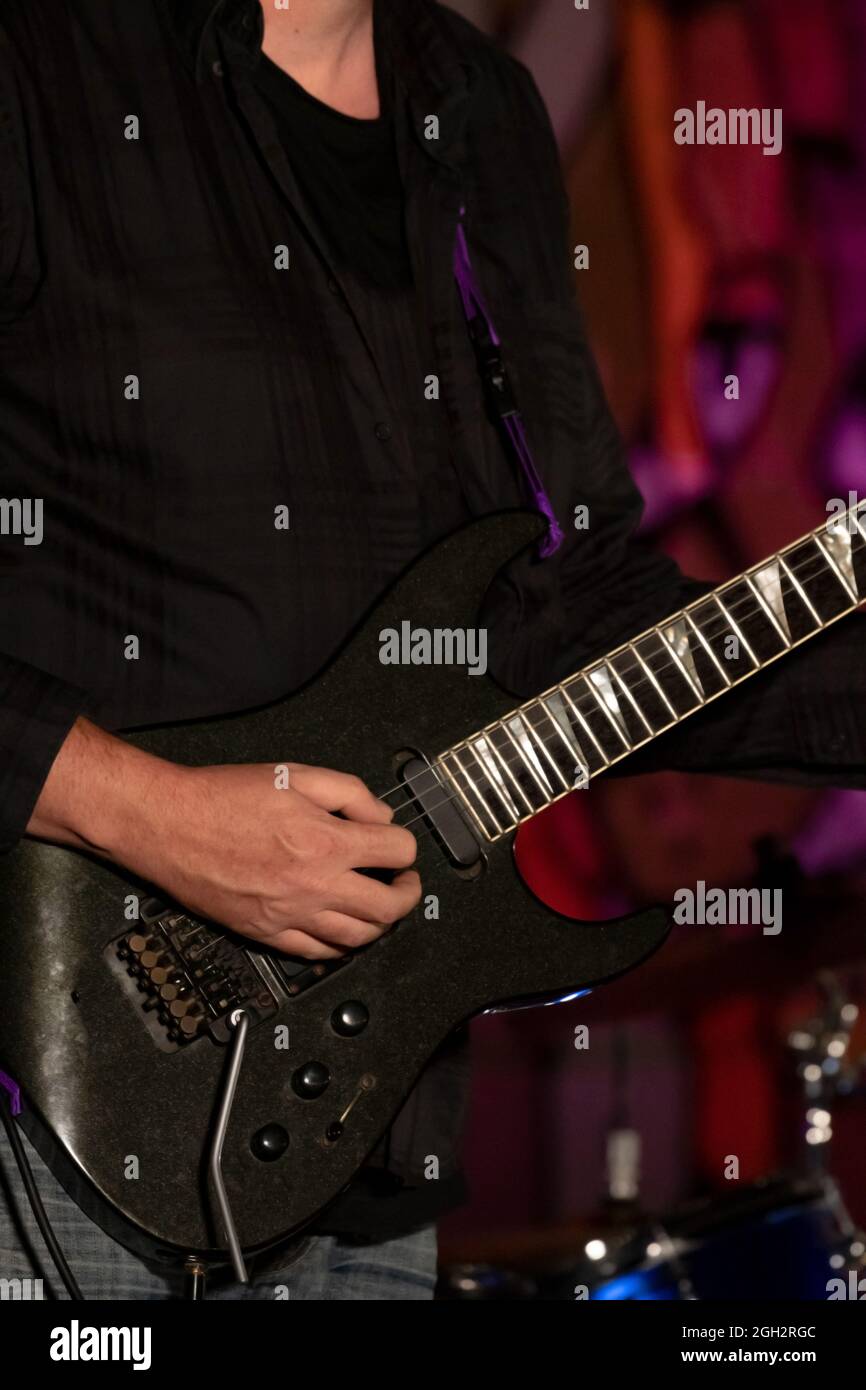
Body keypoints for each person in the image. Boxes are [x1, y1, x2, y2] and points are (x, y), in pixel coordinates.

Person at [1, 0, 864, 1301]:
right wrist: (153, 816)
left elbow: (574, 599)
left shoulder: (480, 109)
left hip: (366, 1124)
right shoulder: (42, 64)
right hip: (62, 1098)